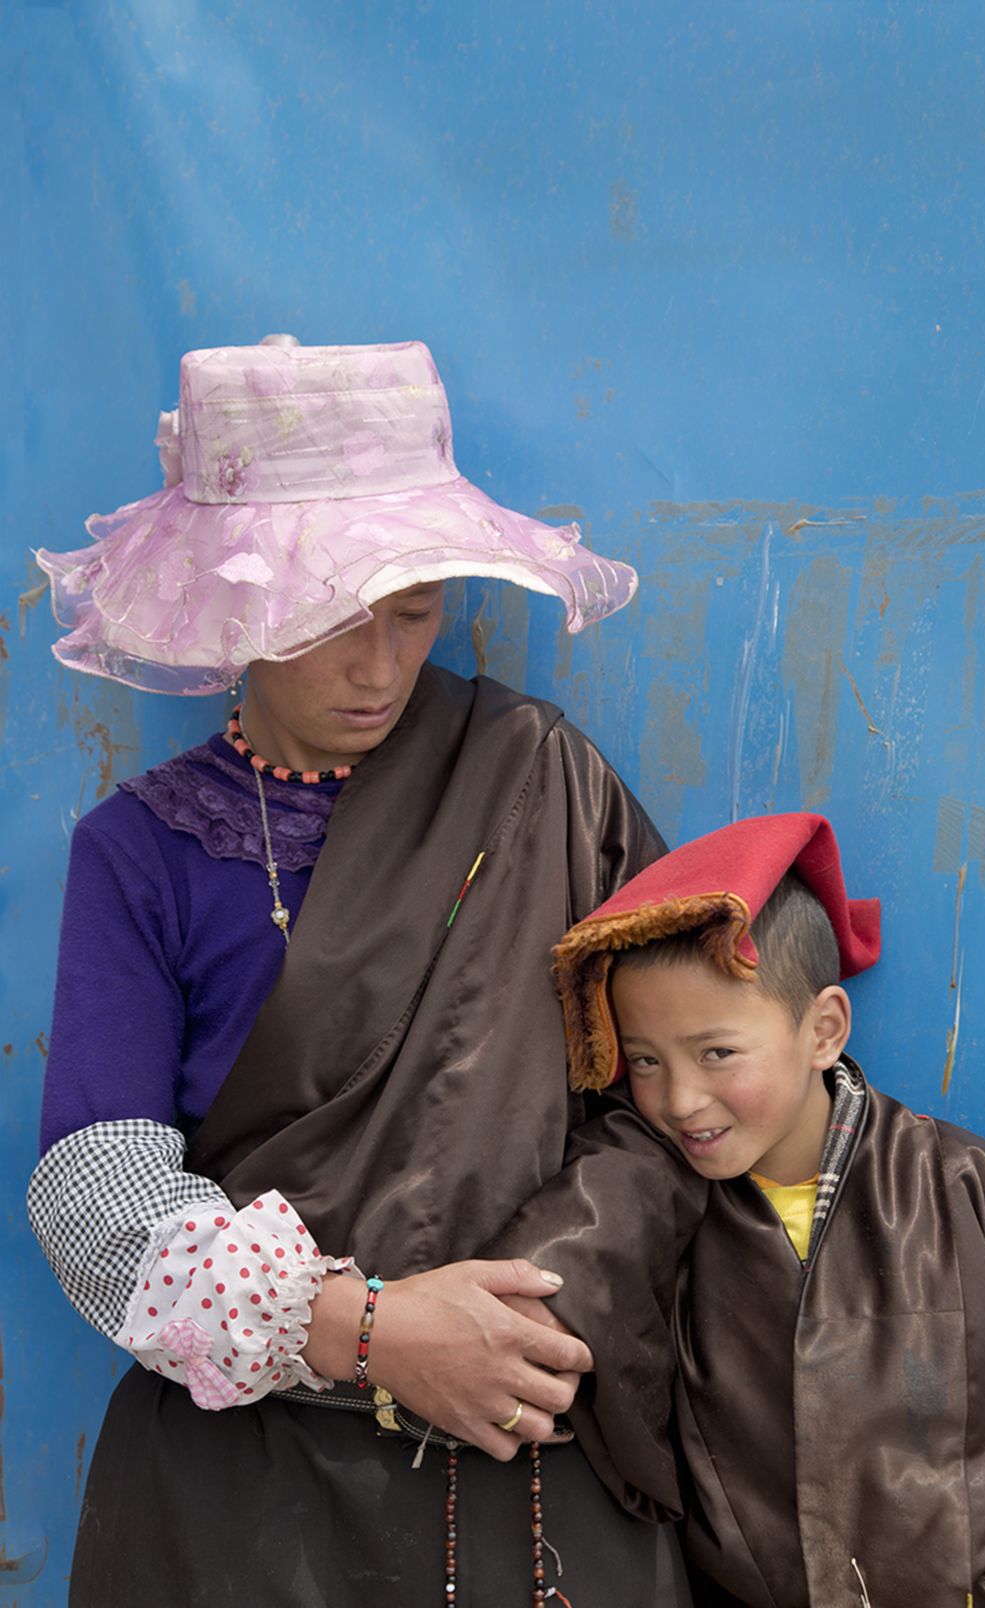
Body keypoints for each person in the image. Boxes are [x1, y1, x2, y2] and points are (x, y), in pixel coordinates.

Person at [27, 335, 697, 1606]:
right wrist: (373, 1331)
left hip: (526, 1443)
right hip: (241, 1499)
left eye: (413, 612)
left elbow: (681, 1096)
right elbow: (98, 1202)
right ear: (233, 605)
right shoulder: (144, 856)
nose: (378, 668)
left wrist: (510, 1323)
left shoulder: (535, 777)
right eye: (330, 621)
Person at [545, 812, 985, 1607]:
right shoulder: (673, 1226)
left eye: (717, 1052)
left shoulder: (968, 1191)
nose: (681, 1100)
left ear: (822, 1029)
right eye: (646, 1062)